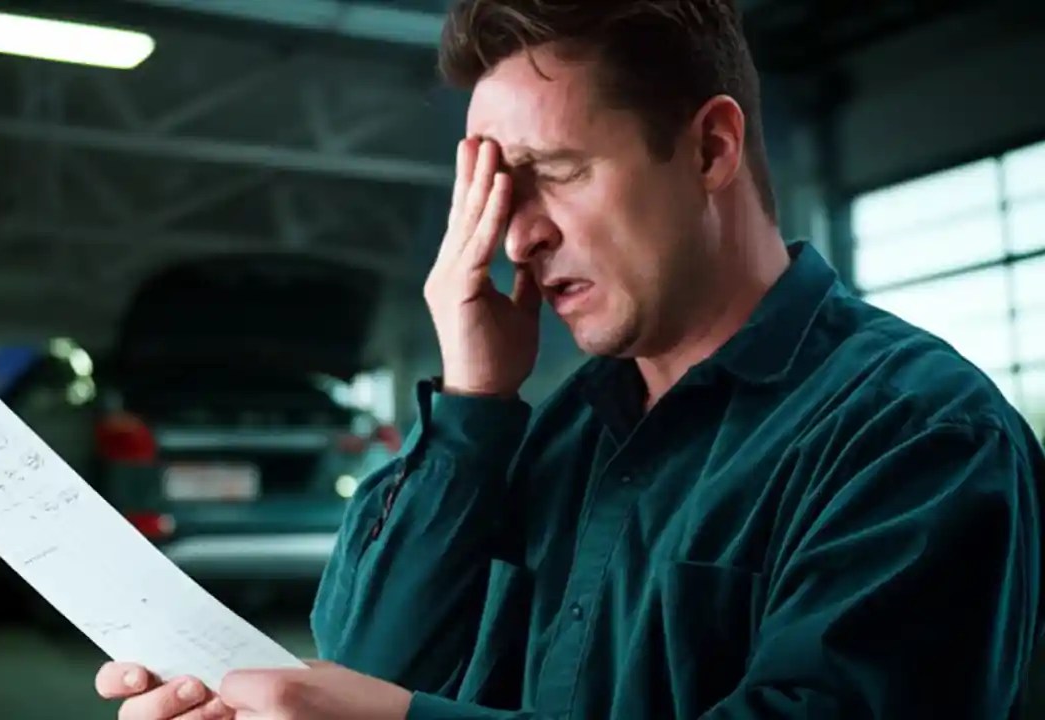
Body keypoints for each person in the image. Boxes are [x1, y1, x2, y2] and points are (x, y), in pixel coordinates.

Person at [95, 0, 1045, 717]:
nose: (517, 239)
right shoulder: (551, 440)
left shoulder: (916, 436)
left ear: (710, 148)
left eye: (554, 174)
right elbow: (371, 665)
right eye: (498, 195)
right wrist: (471, 403)